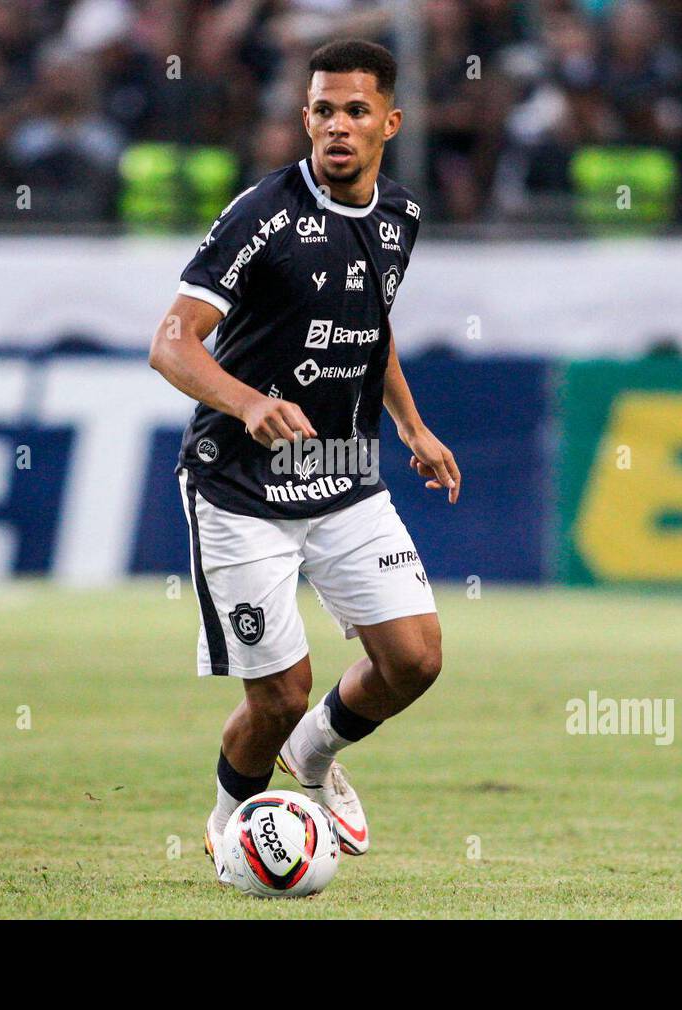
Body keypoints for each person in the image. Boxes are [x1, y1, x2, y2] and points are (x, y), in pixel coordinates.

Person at [148, 38, 460, 883]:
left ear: (390, 123)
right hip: (240, 486)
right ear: (306, 118)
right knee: (277, 690)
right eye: (323, 110)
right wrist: (247, 401)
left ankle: (314, 753)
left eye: (357, 111)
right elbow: (171, 344)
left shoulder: (401, 218)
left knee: (416, 660)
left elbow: (373, 327)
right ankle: (227, 824)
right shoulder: (264, 215)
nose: (338, 126)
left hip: (346, 476)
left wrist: (412, 424)